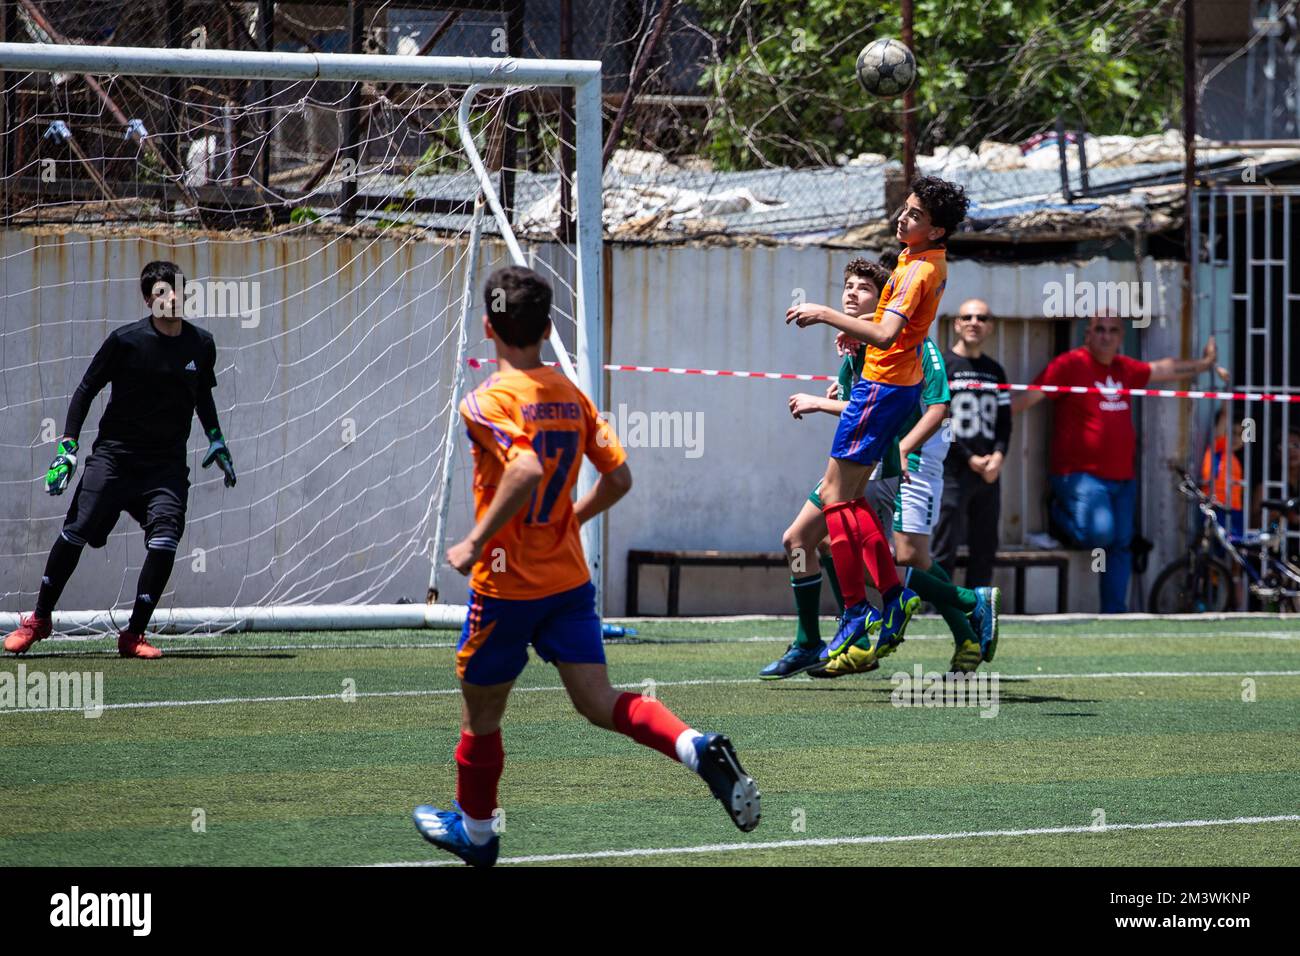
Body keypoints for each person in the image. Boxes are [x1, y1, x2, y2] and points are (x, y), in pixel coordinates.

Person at [412, 266, 760, 868]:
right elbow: (620, 478)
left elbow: (522, 470)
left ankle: (475, 831)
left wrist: (473, 542)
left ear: (488, 329)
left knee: (482, 715)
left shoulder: (485, 401)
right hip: (568, 583)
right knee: (598, 702)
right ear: (547, 328)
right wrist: (572, 517)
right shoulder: (571, 397)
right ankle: (693, 746)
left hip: (506, 587)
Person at [4, 261, 236, 659]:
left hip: (165, 466)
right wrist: (67, 448)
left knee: (165, 538)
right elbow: (86, 390)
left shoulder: (201, 344)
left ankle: (134, 635)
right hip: (113, 459)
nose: (174, 297)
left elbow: (202, 395)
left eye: (179, 289)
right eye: (163, 292)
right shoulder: (126, 341)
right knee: (76, 530)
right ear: (149, 300)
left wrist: (216, 437)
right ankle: (39, 620)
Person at [785, 175, 970, 665]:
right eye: (905, 209)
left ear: (937, 231)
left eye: (915, 216)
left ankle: (861, 609)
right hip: (887, 385)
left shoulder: (916, 272)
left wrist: (826, 313)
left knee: (835, 499)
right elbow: (886, 330)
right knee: (840, 501)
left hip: (885, 388)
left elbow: (888, 334)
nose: (903, 219)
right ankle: (888, 599)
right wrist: (857, 338)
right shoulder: (917, 259)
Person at [1012, 313, 1225, 613]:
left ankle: (1114, 613)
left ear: (1121, 337)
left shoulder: (1124, 368)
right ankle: (1058, 515)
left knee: (1120, 545)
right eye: (1100, 330)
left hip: (1122, 477)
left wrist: (1202, 365)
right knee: (1100, 533)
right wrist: (992, 411)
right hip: (1079, 476)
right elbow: (1030, 396)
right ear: (1087, 335)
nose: (1106, 336)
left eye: (1113, 331)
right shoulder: (1070, 364)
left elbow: (1162, 369)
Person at [760, 257, 890, 680]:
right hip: (855, 463)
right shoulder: (854, 343)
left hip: (874, 468)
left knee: (906, 561)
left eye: (863, 288)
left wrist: (820, 402)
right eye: (848, 285)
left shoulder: (875, 341)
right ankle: (815, 639)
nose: (852, 292)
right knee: (800, 542)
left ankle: (959, 603)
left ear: (881, 299)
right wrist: (838, 389)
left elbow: (871, 409)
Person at [931, 299, 1011, 589]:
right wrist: (967, 458)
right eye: (967, 317)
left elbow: (1005, 422)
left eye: (981, 318)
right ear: (957, 323)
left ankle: (979, 612)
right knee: (944, 545)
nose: (974, 322)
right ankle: (936, 611)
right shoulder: (942, 365)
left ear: (990, 326)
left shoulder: (995, 371)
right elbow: (939, 420)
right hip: (952, 470)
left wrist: (998, 456)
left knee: (985, 546)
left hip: (989, 472)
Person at [1201, 406, 1245, 539]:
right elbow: (1225, 415)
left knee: (1234, 549)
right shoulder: (1218, 447)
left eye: (1240, 434)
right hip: (1217, 507)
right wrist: (1226, 388)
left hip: (1234, 509)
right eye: (1232, 433)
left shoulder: (1235, 459)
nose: (1236, 438)